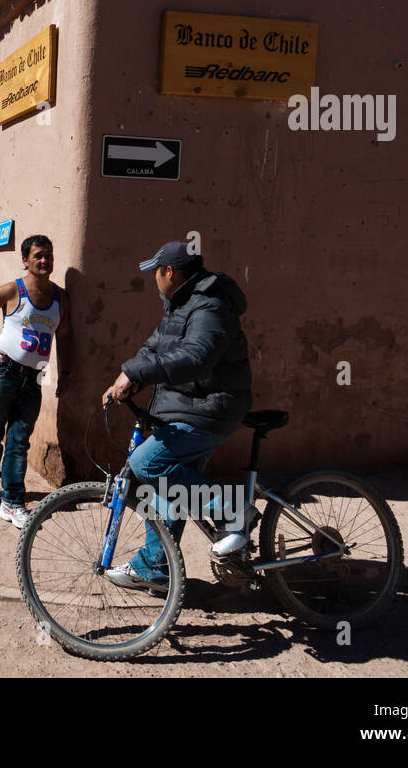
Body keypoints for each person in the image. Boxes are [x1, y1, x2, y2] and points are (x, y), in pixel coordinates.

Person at [101, 240, 254, 593]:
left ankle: (232, 511)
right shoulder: (180, 303)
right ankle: (155, 567)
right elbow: (154, 346)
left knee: (147, 464)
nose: (153, 279)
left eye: (156, 272)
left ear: (169, 272)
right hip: (189, 404)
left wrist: (136, 371)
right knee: (167, 489)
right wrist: (130, 376)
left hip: (213, 407)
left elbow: (197, 357)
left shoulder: (211, 305)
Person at [0, 234, 70, 529]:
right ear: (25, 260)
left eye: (48, 255)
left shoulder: (61, 297)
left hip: (34, 378)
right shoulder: (16, 289)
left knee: (19, 440)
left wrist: (66, 373)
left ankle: (12, 502)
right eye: (38, 256)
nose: (44, 260)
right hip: (4, 371)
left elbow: (64, 337)